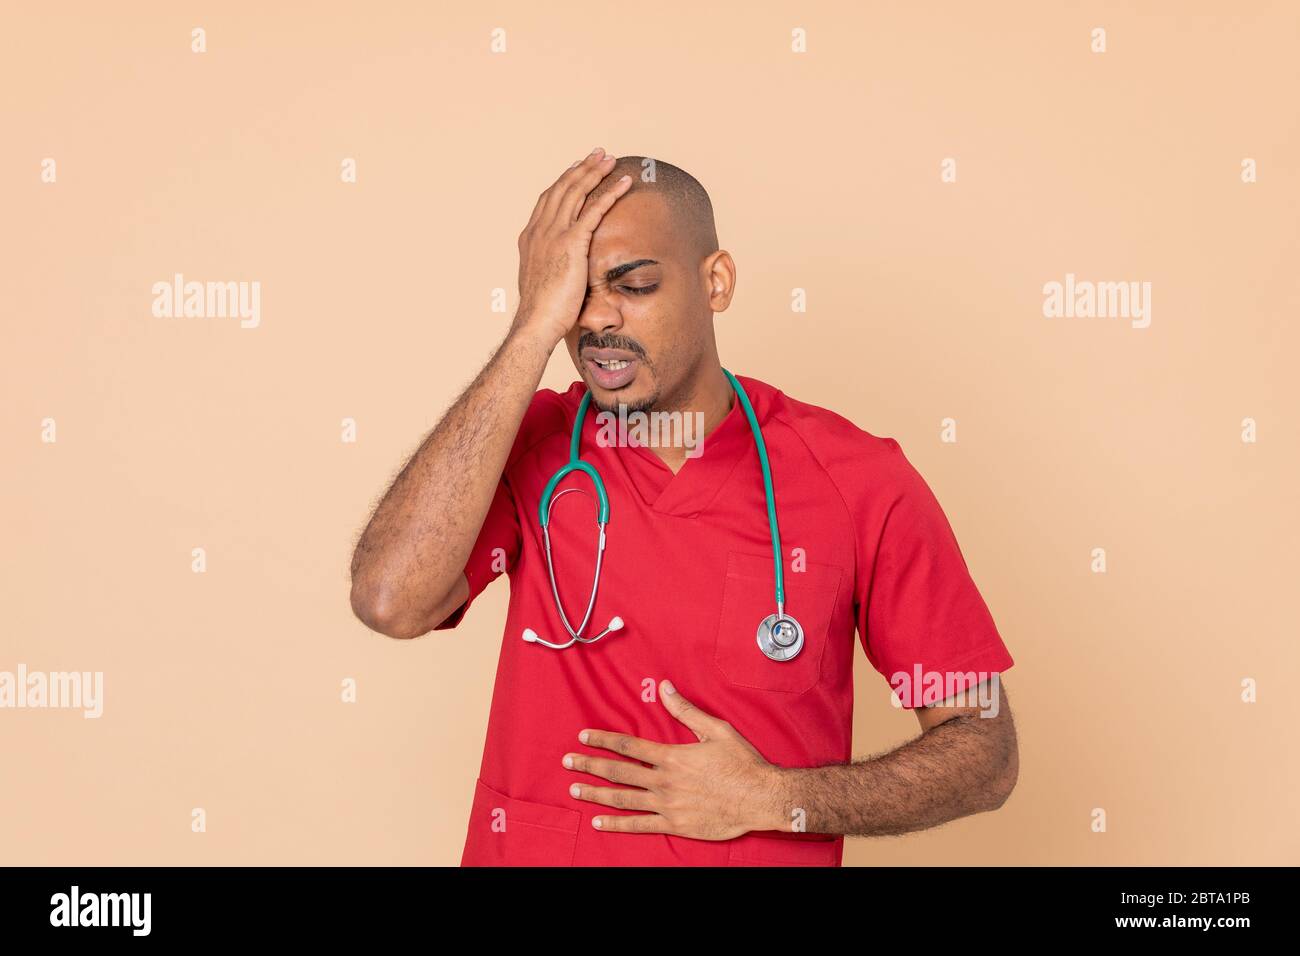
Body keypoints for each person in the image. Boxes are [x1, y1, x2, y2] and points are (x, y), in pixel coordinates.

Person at [349, 147, 1019, 866]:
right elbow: (391, 599)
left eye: (631, 284)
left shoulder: (857, 479)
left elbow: (983, 749)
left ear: (716, 282)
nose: (597, 318)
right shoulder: (526, 449)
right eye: (572, 293)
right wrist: (529, 332)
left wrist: (773, 798)